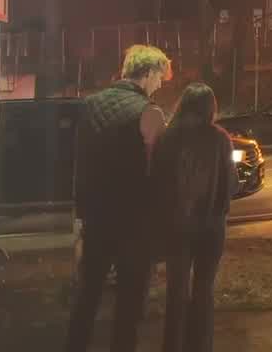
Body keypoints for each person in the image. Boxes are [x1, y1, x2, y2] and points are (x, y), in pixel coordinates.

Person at [66, 44, 171, 352]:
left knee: (87, 296)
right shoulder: (149, 112)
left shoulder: (90, 105)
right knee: (129, 302)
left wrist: (81, 214)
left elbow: (80, 162)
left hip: (97, 217)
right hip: (134, 223)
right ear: (148, 73)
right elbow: (159, 170)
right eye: (160, 77)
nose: (161, 84)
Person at [153, 83, 237, 352]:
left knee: (176, 291)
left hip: (177, 225)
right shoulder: (220, 138)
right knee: (203, 289)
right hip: (211, 226)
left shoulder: (168, 137)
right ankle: (200, 346)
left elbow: (157, 181)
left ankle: (173, 346)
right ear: (210, 107)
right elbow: (231, 183)